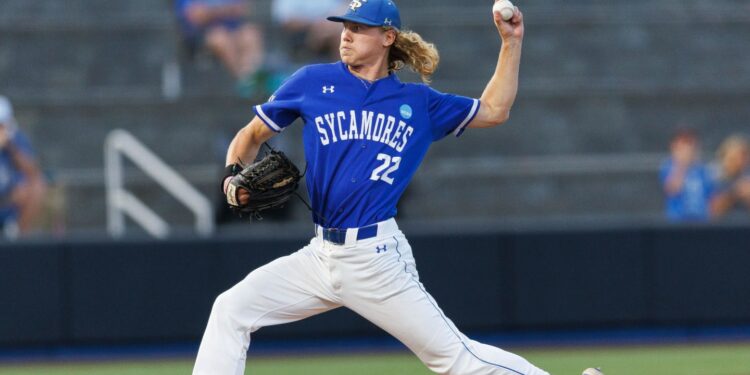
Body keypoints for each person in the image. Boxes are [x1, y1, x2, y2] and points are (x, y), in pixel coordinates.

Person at [194, 1, 594, 374]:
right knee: (230, 309)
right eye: (344, 27)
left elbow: (494, 109)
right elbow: (250, 135)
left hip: (375, 259)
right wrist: (232, 176)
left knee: (453, 358)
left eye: (358, 28)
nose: (346, 36)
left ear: (388, 37)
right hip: (319, 255)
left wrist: (511, 42)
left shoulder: (418, 102)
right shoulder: (313, 82)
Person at [175, 0, 266, 96]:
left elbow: (243, 8)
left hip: (234, 30)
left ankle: (250, 81)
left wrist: (212, 12)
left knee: (251, 33)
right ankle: (246, 82)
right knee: (220, 38)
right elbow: (196, 15)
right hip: (202, 35)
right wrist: (226, 10)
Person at [0, 96, 47, 238]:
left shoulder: (16, 140)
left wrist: (10, 147)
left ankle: (17, 236)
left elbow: (33, 171)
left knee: (37, 187)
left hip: (8, 201)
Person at [659, 129, 714, 221]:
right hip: (678, 221)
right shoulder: (668, 166)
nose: (688, 148)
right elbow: (672, 189)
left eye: (690, 143)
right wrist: (683, 165)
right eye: (684, 144)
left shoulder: (703, 169)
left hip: (701, 220)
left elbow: (711, 195)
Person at [272, 0, 347, 62]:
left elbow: (346, 8)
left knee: (343, 33)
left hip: (332, 28)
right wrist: (315, 25)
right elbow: (287, 21)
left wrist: (326, 25)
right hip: (302, 33)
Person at [709, 134, 750, 218]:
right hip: (721, 227)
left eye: (745, 155)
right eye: (740, 155)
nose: (742, 160)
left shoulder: (746, 176)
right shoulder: (712, 176)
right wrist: (734, 193)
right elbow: (712, 211)